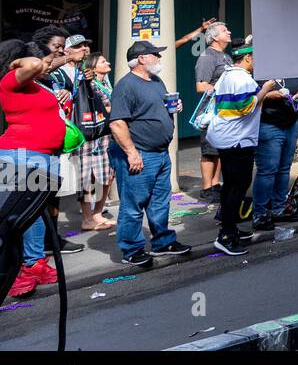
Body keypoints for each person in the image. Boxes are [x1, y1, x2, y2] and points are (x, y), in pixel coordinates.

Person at [107, 40, 192, 266]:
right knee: (133, 205)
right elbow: (117, 123)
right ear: (142, 59)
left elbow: (157, 107)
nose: (159, 57)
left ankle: (162, 243)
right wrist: (132, 153)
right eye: (155, 54)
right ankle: (131, 249)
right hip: (140, 153)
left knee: (160, 202)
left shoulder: (155, 80)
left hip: (160, 153)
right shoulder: (126, 86)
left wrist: (176, 106)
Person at [0, 39, 72, 297]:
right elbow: (33, 64)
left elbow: (40, 67)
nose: (48, 67)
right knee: (14, 220)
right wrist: (19, 61)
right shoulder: (11, 81)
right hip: (20, 158)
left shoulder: (35, 84)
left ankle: (35, 263)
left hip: (41, 157)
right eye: (46, 62)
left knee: (36, 215)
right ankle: (19, 269)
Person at [205, 44, 278, 255]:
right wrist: (265, 89)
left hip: (229, 138)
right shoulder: (242, 79)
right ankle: (226, 235)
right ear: (247, 59)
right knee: (237, 186)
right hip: (237, 140)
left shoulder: (228, 75)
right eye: (256, 58)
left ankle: (231, 228)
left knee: (232, 186)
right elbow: (246, 107)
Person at [32, 26, 85, 256]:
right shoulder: (25, 75)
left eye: (64, 48)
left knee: (52, 196)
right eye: (57, 47)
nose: (61, 52)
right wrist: (69, 57)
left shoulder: (51, 77)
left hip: (53, 147)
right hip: (31, 150)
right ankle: (33, 254)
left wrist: (63, 94)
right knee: (34, 200)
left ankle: (51, 240)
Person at [252, 75, 298, 231]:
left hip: (290, 123)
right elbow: (251, 98)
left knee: (284, 168)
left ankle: (279, 208)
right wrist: (268, 94)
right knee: (267, 170)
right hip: (269, 124)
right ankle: (260, 213)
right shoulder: (260, 74)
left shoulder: (290, 70)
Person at [193, 22, 233, 203]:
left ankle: (216, 184)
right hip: (211, 111)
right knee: (209, 151)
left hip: (225, 110)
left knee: (221, 149)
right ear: (215, 37)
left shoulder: (226, 56)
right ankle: (207, 188)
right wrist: (222, 90)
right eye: (225, 30)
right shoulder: (207, 57)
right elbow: (201, 86)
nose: (229, 32)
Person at [76, 51, 116, 230]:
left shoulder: (105, 82)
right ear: (92, 67)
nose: (107, 63)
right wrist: (113, 108)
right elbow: (101, 108)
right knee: (87, 177)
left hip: (106, 133)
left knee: (107, 174)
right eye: (103, 61)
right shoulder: (89, 84)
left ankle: (97, 213)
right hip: (90, 134)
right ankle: (87, 218)